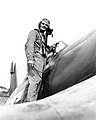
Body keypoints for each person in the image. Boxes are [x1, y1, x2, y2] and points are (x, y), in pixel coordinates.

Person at [22, 18, 56, 102]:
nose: (44, 26)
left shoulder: (42, 37)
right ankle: (29, 102)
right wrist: (30, 60)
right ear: (40, 23)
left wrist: (51, 48)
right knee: (34, 81)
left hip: (42, 60)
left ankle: (32, 101)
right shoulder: (34, 33)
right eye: (43, 24)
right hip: (36, 59)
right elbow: (29, 45)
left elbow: (43, 50)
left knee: (38, 81)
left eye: (46, 25)